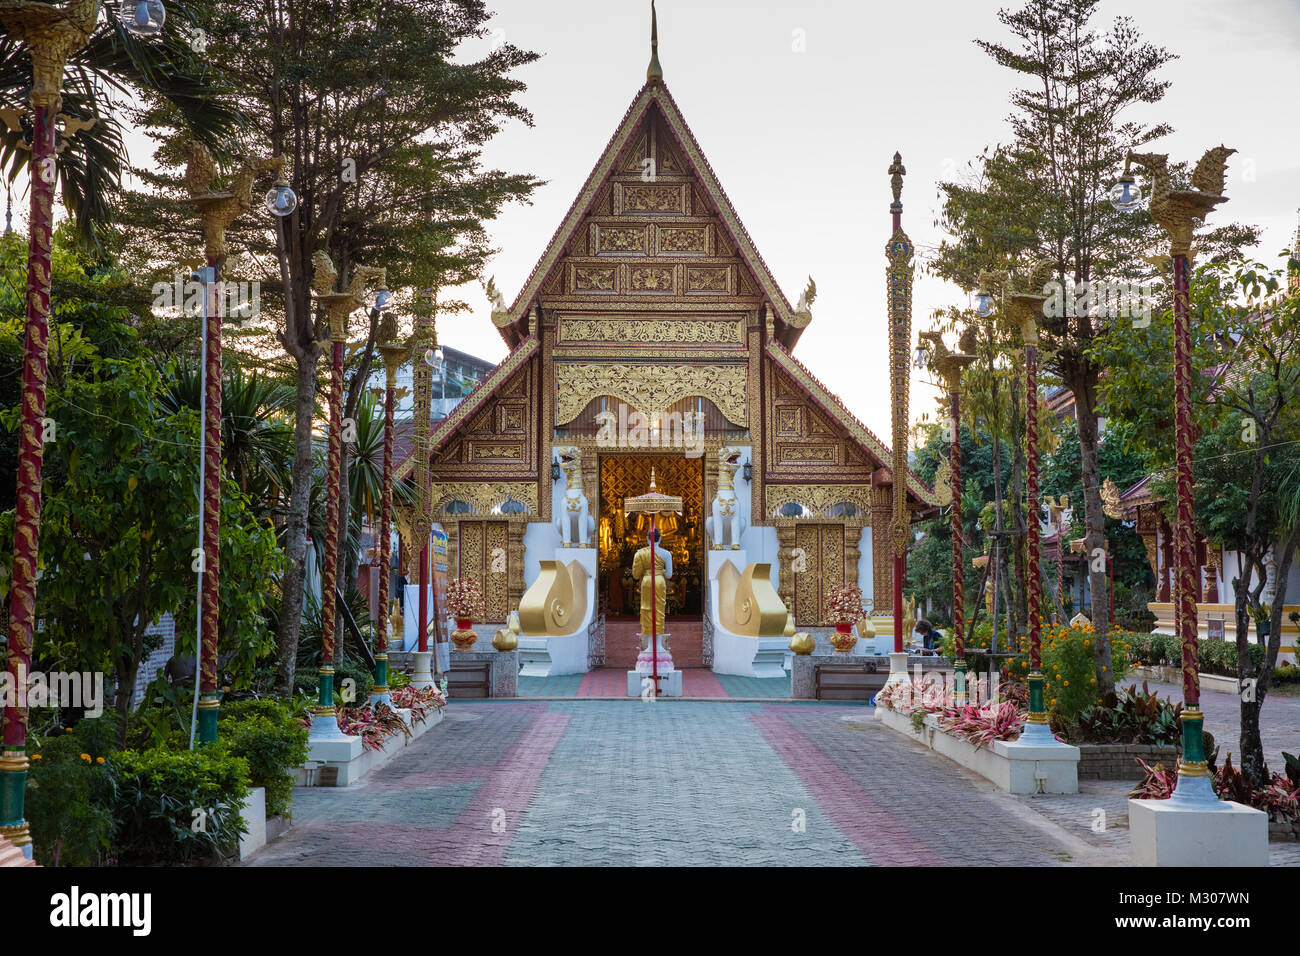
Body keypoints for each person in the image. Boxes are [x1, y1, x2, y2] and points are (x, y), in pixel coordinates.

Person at [631, 528, 672, 638]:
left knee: (647, 608)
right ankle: (658, 642)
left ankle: (649, 642)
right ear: (661, 539)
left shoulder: (640, 554)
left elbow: (635, 575)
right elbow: (669, 575)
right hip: (659, 581)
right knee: (659, 610)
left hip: (647, 581)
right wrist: (660, 571)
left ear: (647, 539)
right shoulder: (666, 554)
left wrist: (646, 570)